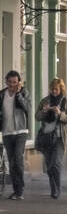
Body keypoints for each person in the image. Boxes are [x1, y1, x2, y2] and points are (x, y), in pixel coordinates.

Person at [35, 77, 67, 200]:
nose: (54, 91)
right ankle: (54, 190)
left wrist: (60, 113)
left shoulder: (65, 102)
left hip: (60, 137)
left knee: (55, 164)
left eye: (56, 89)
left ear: (61, 89)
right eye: (52, 89)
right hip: (46, 137)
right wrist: (45, 111)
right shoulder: (45, 101)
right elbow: (37, 116)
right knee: (49, 163)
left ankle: (57, 189)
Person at [1, 69, 30, 201]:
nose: (12, 85)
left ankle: (20, 188)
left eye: (15, 82)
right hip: (7, 132)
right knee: (12, 162)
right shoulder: (2, 95)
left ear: (19, 83)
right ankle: (16, 190)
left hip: (21, 131)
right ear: (6, 82)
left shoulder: (23, 93)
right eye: (10, 82)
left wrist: (18, 94)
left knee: (17, 158)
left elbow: (27, 108)